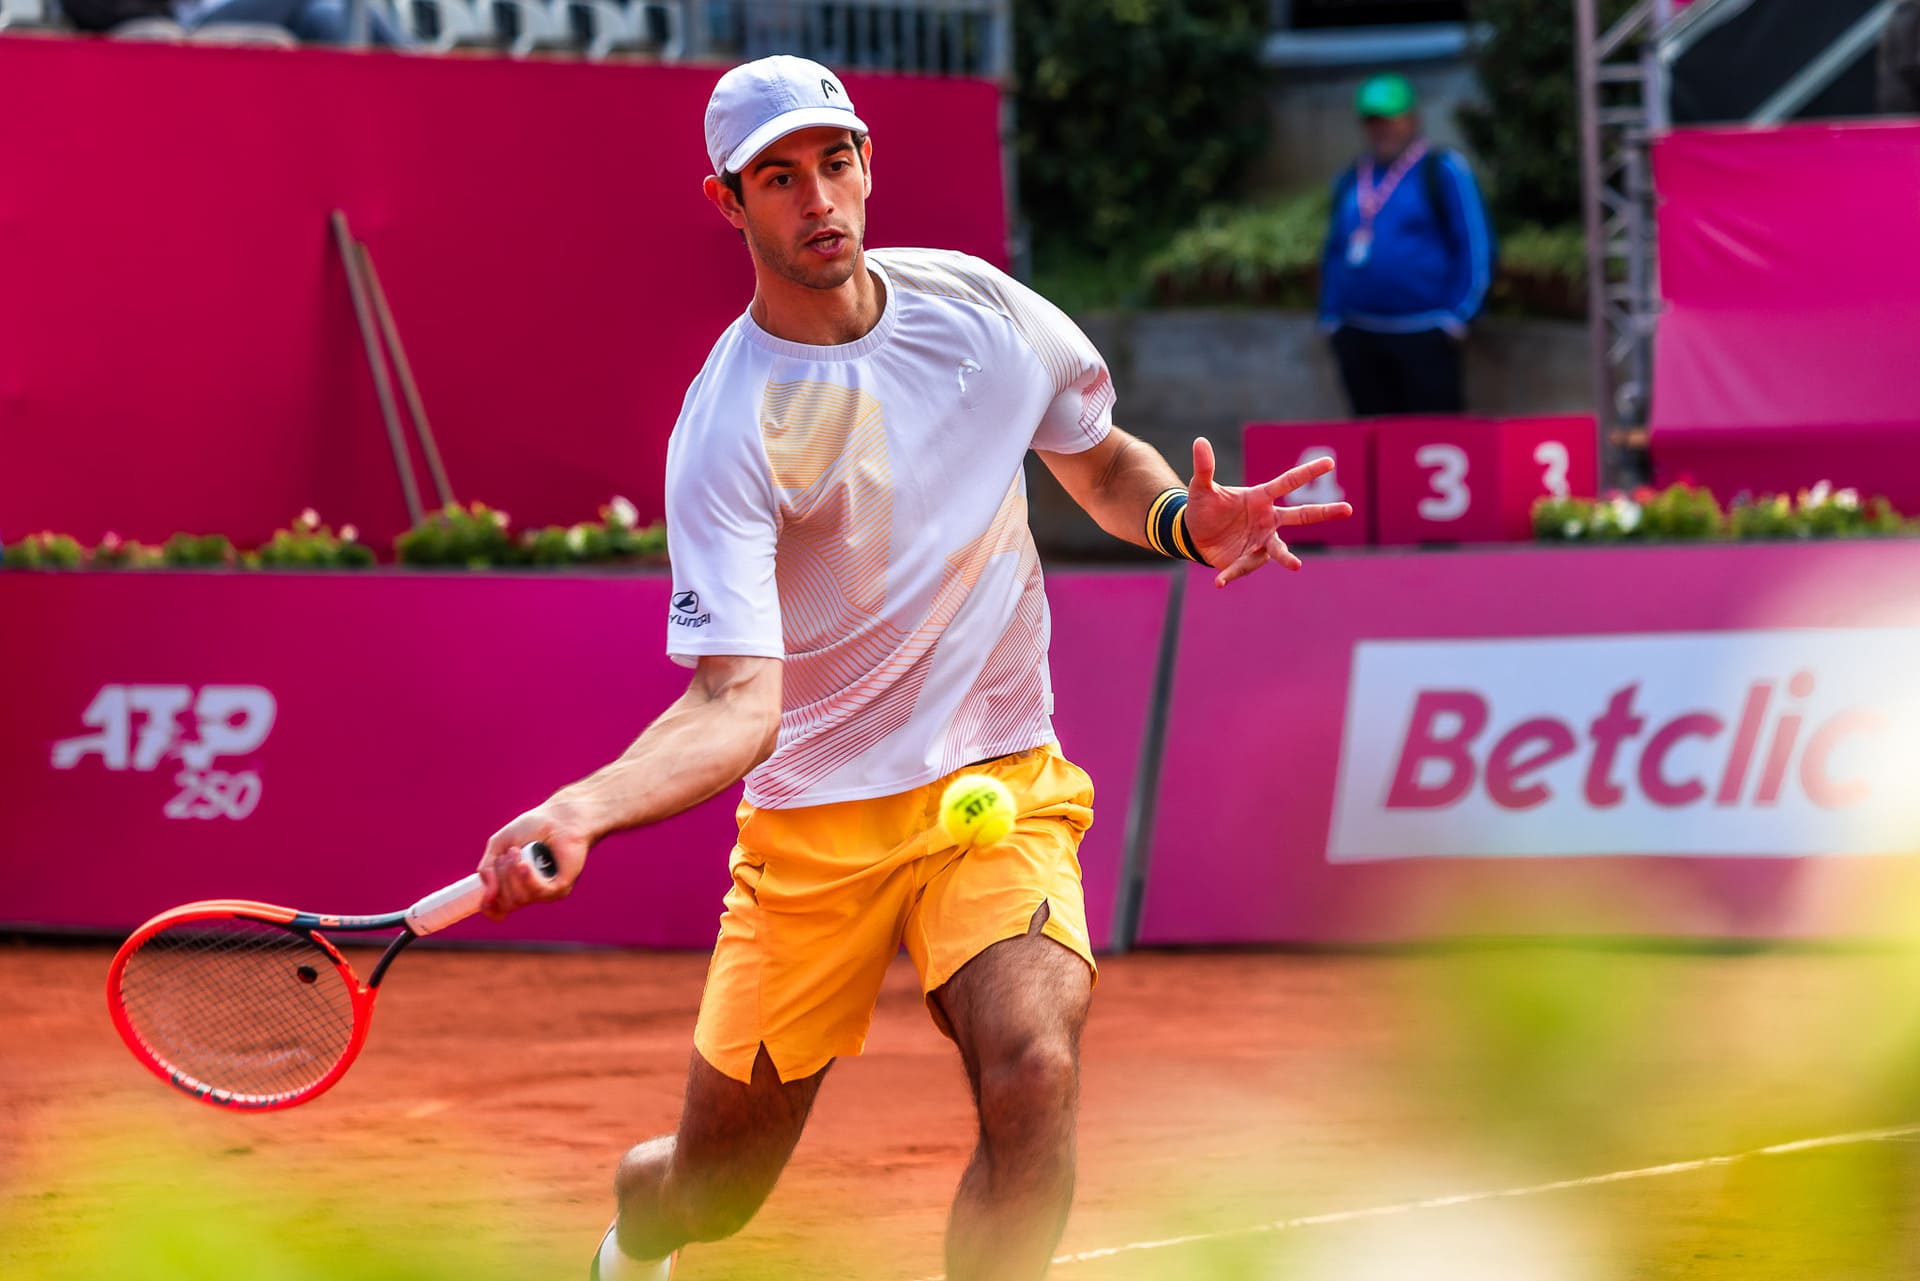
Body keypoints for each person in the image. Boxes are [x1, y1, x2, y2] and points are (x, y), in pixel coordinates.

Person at [474, 55, 1351, 1281]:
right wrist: (584, 807)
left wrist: (1180, 522)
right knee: (713, 1188)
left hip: (998, 789)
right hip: (813, 833)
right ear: (730, 203)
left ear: (869, 164)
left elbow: (1098, 463)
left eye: (834, 164)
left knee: (1035, 1065)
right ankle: (642, 1226)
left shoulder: (984, 314)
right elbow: (736, 702)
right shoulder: (728, 427)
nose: (816, 200)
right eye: (777, 179)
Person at [1318, 72, 1496, 417]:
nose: (1381, 129)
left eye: (1390, 119)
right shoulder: (1351, 177)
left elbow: (1476, 245)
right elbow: (1334, 250)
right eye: (1372, 121)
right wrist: (1331, 317)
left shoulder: (1443, 171)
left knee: (1431, 439)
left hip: (1425, 333)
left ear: (1412, 119)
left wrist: (1457, 317)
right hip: (1359, 335)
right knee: (1373, 443)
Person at [1878, 1, 1920, 114]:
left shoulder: (1897, 15)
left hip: (1893, 96)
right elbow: (1907, 64)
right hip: (1906, 99)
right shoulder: (1910, 16)